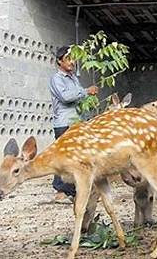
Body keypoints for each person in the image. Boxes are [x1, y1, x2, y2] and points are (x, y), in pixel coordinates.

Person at [49, 45, 99, 201]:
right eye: (68, 59)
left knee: (77, 156)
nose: (72, 62)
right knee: (63, 156)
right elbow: (66, 97)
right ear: (59, 61)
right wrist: (86, 91)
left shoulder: (74, 78)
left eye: (74, 59)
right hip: (64, 122)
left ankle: (76, 189)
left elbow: (79, 98)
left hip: (77, 122)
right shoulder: (56, 79)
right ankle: (62, 190)